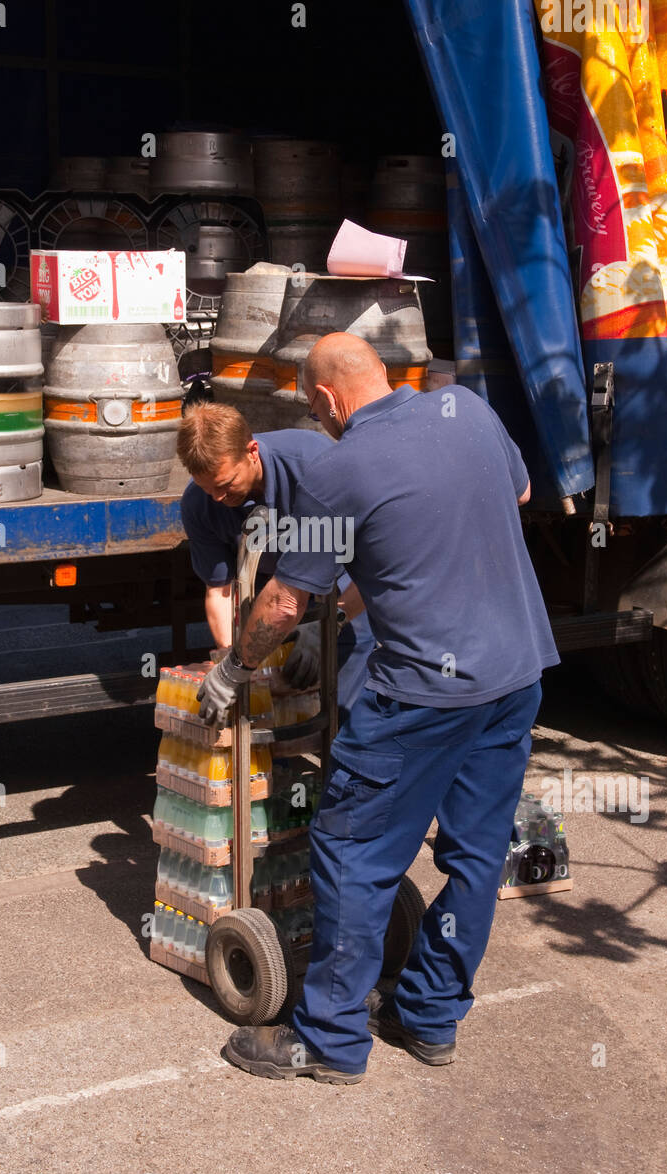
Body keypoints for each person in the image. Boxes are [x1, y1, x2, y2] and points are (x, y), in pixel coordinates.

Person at [197, 333, 559, 1084]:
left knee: (352, 851)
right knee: (476, 856)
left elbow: (287, 598)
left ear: (327, 400)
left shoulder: (339, 469)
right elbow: (520, 493)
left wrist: (237, 667)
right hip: (517, 672)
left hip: (423, 693)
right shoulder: (470, 410)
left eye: (313, 406)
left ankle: (328, 1038)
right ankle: (428, 1017)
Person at [177, 402, 374, 717]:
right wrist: (233, 663)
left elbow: (373, 564)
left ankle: (343, 745)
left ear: (252, 451)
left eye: (226, 486)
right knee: (273, 699)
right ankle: (280, 756)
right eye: (208, 488)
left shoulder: (315, 466)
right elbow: (220, 591)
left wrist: (331, 624)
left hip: (342, 584)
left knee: (344, 700)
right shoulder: (199, 503)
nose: (218, 498)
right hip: (275, 588)